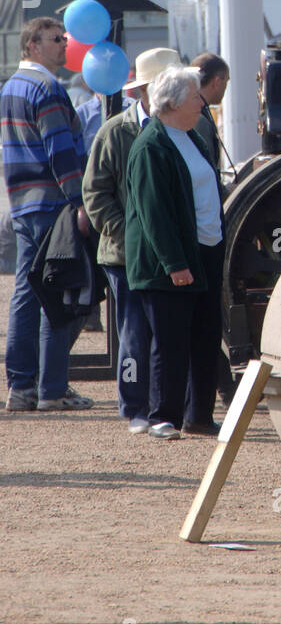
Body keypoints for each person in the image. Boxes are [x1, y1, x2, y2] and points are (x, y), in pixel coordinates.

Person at [81, 47, 180, 433]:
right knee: (134, 334)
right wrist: (129, 234)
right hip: (124, 256)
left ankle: (162, 406)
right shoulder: (114, 130)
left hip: (167, 254)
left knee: (163, 333)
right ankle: (134, 405)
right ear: (144, 91)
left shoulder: (185, 128)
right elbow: (95, 193)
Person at [125, 66, 224, 439]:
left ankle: (199, 414)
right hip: (170, 262)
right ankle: (162, 416)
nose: (202, 102)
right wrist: (175, 264)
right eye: (196, 96)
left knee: (205, 335)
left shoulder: (191, 137)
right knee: (170, 340)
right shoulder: (151, 144)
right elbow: (155, 213)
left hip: (205, 251)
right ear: (174, 103)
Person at [0, 16, 93, 411]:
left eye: (64, 38)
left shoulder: (10, 88)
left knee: (26, 291)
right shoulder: (48, 88)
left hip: (21, 200)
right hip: (54, 203)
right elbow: (60, 151)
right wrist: (79, 201)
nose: (64, 44)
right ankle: (52, 388)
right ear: (32, 45)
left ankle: (21, 386)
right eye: (56, 39)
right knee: (60, 288)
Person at [190, 52, 231, 185]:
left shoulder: (198, 113)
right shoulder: (199, 120)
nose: (226, 88)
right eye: (226, 81)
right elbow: (205, 172)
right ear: (217, 82)